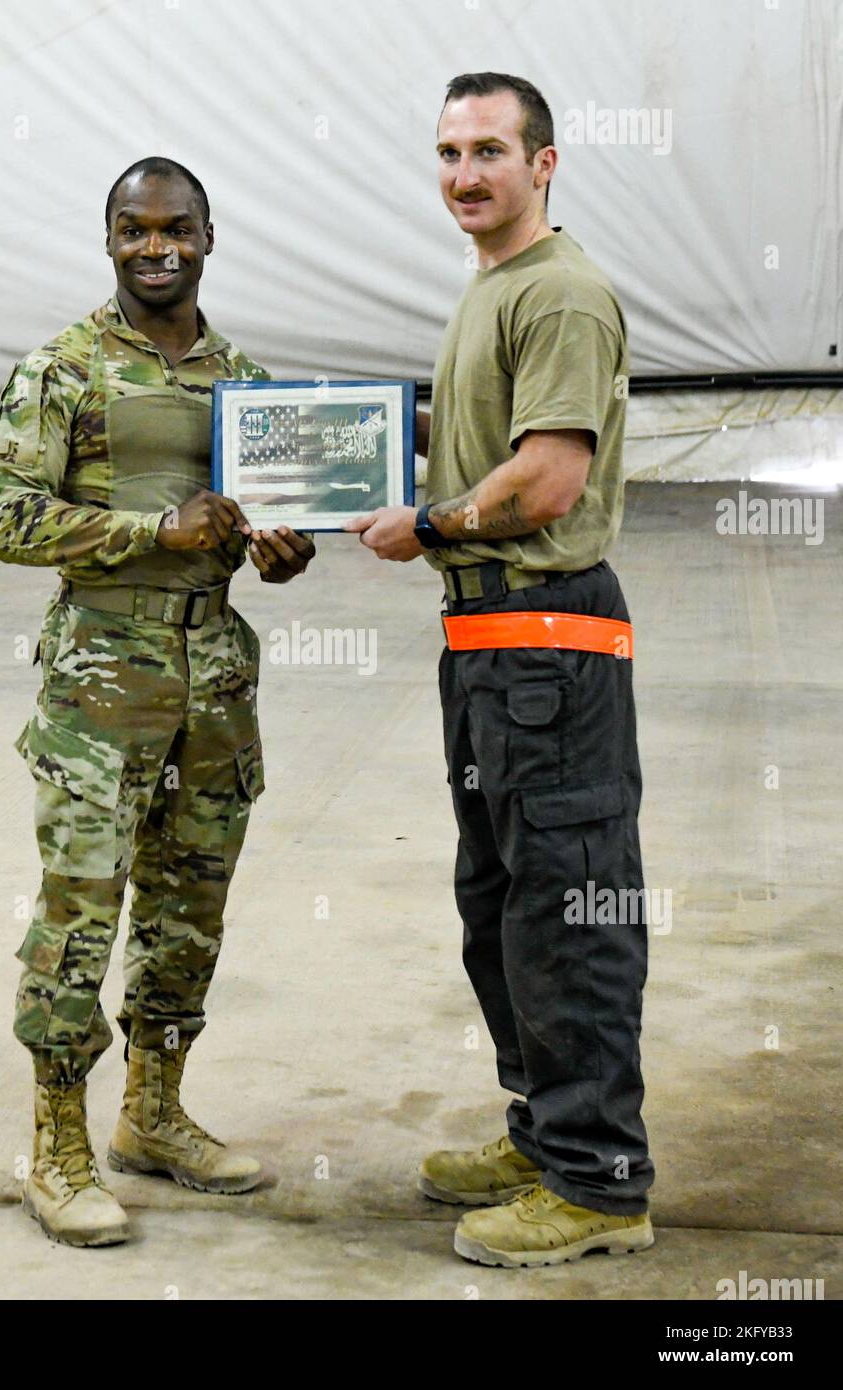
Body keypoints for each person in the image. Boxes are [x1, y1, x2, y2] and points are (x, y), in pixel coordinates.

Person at [345, 73, 655, 1267]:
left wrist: (424, 526)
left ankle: (598, 1183)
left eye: (488, 151)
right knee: (504, 912)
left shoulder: (560, 294)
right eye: (445, 152)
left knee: (569, 913)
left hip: (546, 647)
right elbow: (478, 449)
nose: (463, 174)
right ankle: (543, 1132)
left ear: (544, 164)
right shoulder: (492, 287)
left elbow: (547, 480)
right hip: (485, 649)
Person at [0, 156, 315, 1247]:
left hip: (213, 683)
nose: (156, 246)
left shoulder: (251, 384)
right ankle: (54, 1143)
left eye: (177, 229)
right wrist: (149, 532)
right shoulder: (64, 369)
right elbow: (8, 518)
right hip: (99, 690)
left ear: (210, 238)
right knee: (79, 916)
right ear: (110, 240)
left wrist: (280, 548)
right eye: (135, 230)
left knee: (187, 912)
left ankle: (153, 1113)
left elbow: (269, 530)